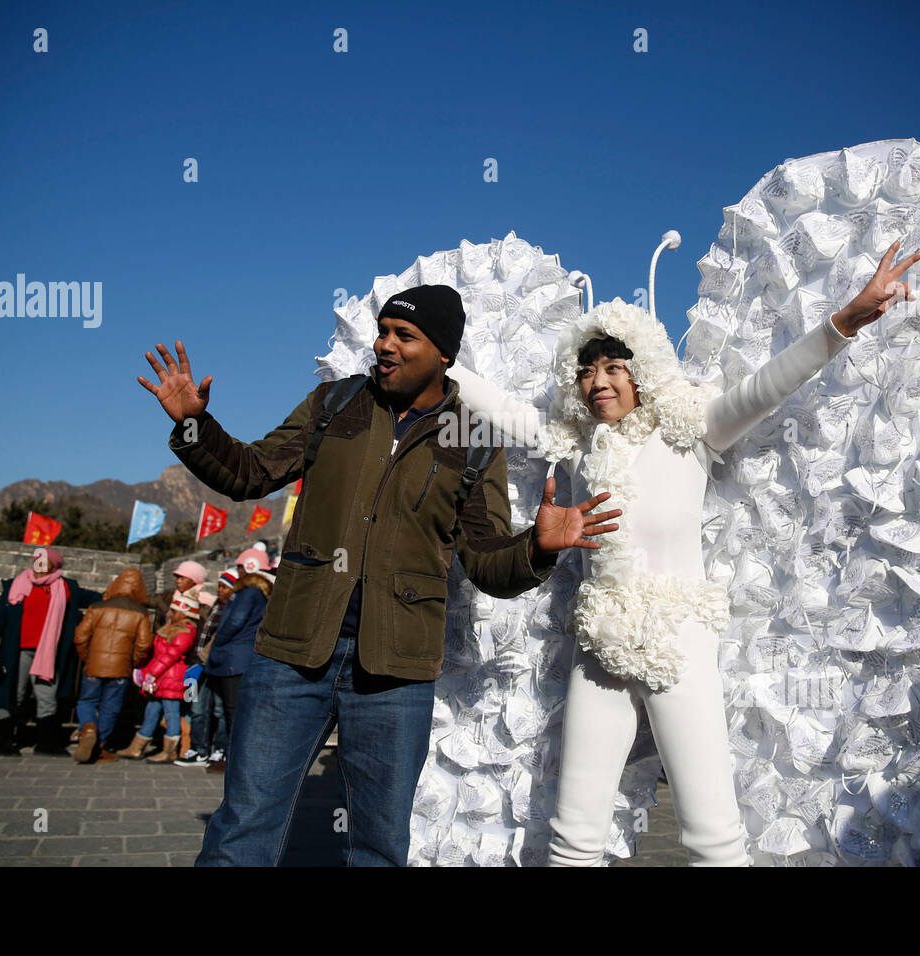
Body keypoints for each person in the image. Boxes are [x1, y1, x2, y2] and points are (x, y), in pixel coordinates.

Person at [446, 242, 920, 865]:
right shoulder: (577, 445)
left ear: (642, 369)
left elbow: (769, 384)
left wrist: (847, 319)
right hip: (600, 644)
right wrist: (438, 360)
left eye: (614, 367)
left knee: (711, 832)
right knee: (573, 834)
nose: (599, 382)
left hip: (680, 641)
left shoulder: (692, 430)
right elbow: (505, 410)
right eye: (587, 372)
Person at [137, 283, 622, 866]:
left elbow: (487, 559)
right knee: (243, 827)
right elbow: (248, 471)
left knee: (379, 845)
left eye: (404, 335)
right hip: (291, 650)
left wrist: (538, 548)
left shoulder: (471, 438)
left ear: (444, 352)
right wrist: (195, 426)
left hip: (395, 672)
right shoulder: (334, 405)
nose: (384, 344)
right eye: (382, 331)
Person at [0, 547, 99, 757]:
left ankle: (45, 742)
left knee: (47, 695)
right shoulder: (16, 585)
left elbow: (96, 598)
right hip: (16, 650)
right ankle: (4, 739)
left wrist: (120, 595)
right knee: (13, 692)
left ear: (54, 566)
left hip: (48, 652)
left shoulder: (66, 587)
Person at [200, 557, 274, 775]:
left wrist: (219, 640)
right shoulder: (257, 593)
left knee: (233, 712)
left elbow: (234, 621)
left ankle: (235, 760)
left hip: (233, 658)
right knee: (232, 711)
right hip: (238, 657)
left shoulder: (249, 592)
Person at [72, 567, 154, 763]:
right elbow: (144, 644)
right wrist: (133, 661)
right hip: (121, 667)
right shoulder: (141, 613)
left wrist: (87, 657)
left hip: (94, 664)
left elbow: (80, 636)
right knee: (111, 707)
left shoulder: (98, 607)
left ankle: (88, 727)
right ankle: (100, 746)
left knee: (87, 701)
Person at [118, 590, 198, 763]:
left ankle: (170, 749)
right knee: (152, 710)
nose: (171, 613)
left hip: (171, 678)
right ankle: (138, 745)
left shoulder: (185, 633)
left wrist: (151, 673)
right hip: (161, 678)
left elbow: (169, 656)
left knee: (171, 712)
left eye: (175, 611)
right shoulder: (171, 629)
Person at [176, 567, 237, 767]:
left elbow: (218, 639)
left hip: (216, 665)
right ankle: (198, 748)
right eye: (219, 586)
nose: (220, 590)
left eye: (225, 587)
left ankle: (220, 748)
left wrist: (202, 659)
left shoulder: (232, 608)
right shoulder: (215, 606)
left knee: (219, 710)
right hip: (199, 664)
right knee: (197, 707)